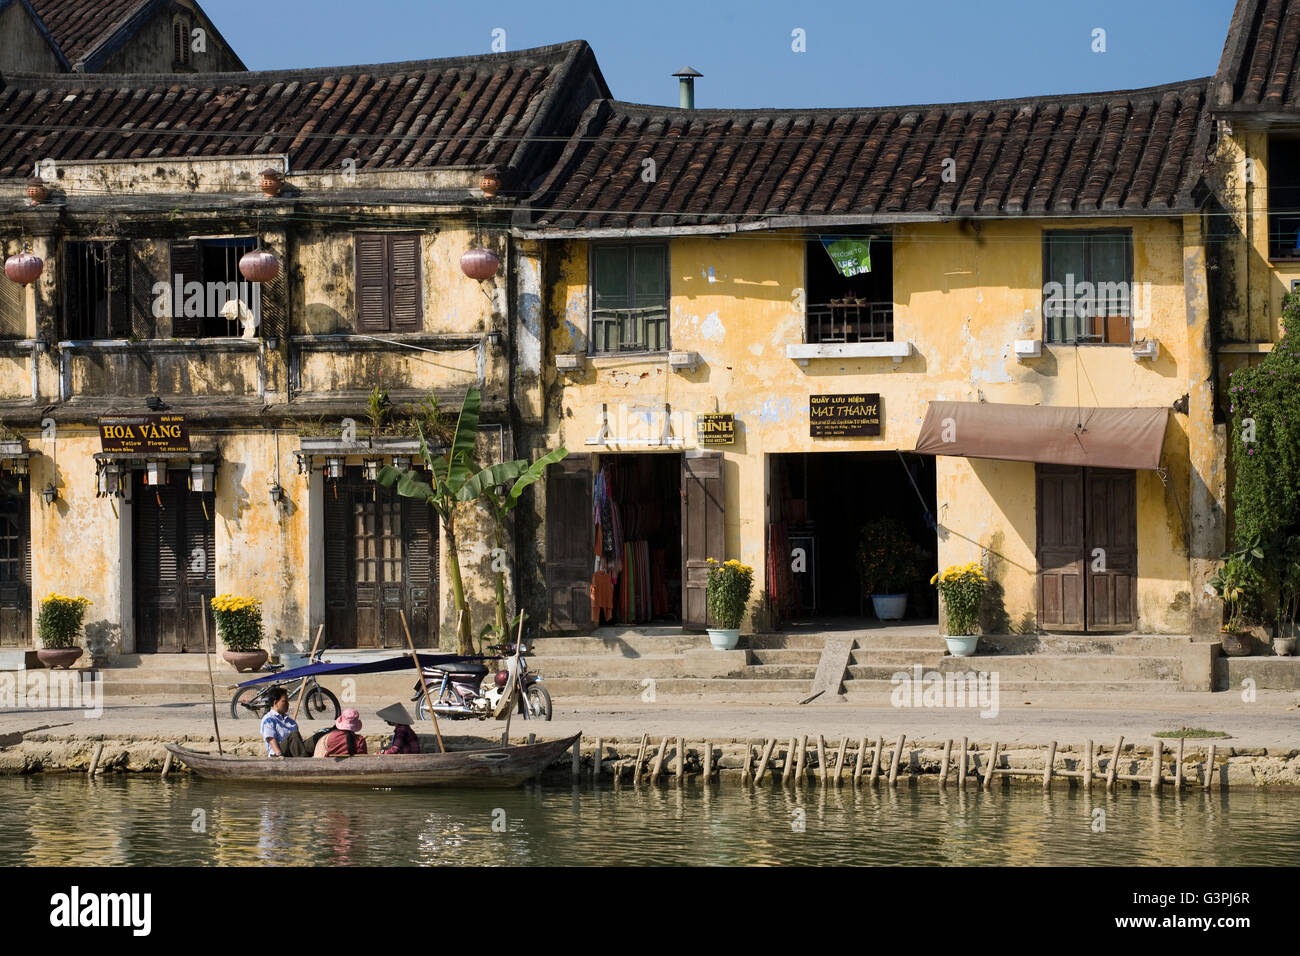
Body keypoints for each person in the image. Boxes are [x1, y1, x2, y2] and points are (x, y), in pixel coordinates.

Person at [259, 687, 298, 758]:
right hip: (278, 753)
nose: (288, 704)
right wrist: (279, 754)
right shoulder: (269, 719)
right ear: (275, 703)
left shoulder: (291, 722)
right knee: (294, 735)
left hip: (293, 752)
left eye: (288, 701)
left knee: (318, 736)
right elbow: (271, 739)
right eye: (284, 701)